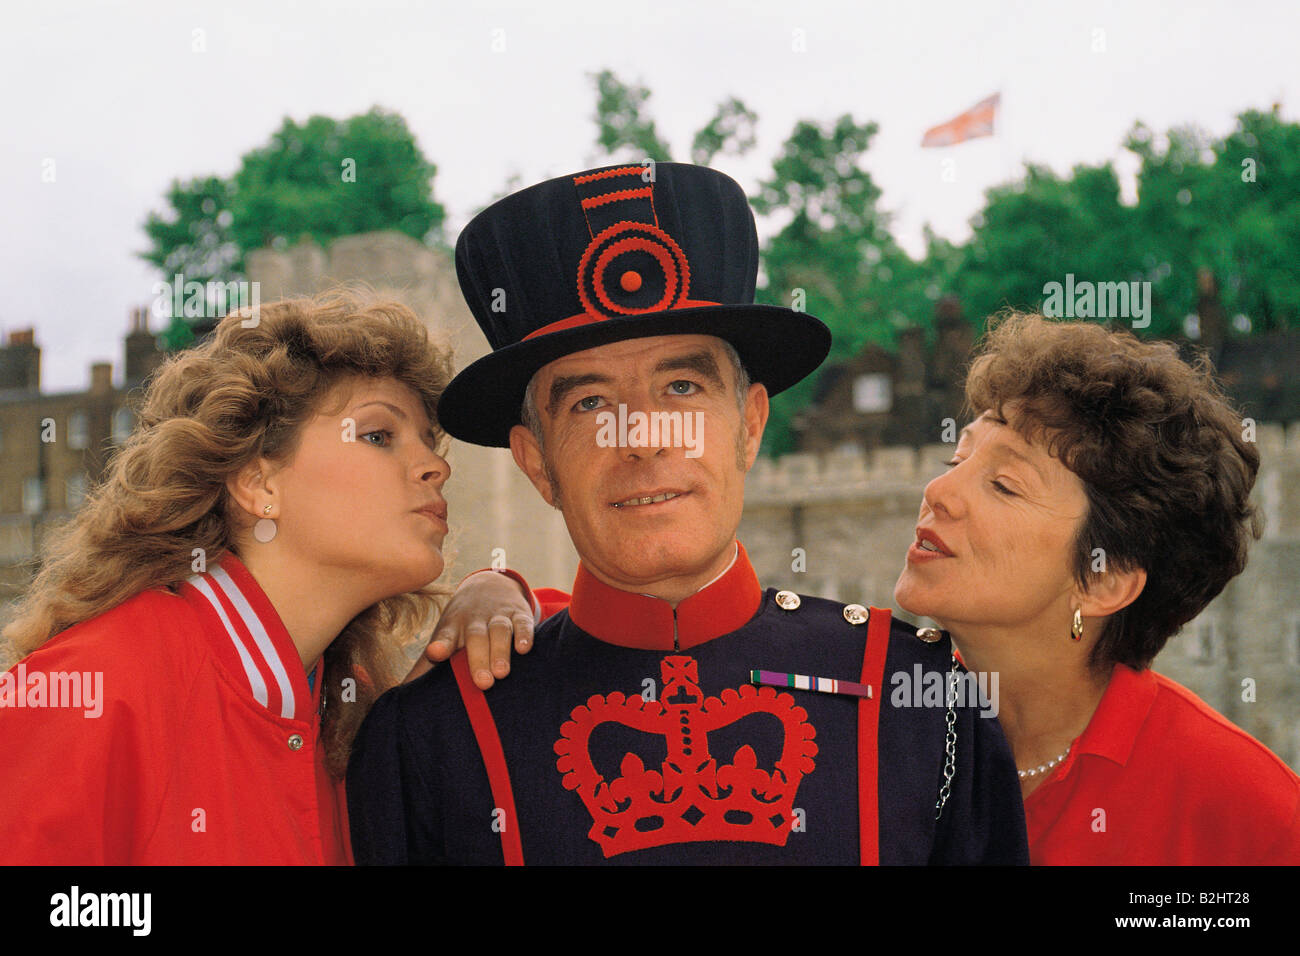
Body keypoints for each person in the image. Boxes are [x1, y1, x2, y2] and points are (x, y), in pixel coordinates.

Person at [345, 162, 1029, 865]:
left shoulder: (922, 703)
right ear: (537, 462)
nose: (643, 439)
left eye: (680, 386)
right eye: (590, 404)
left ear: (750, 425)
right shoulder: (431, 738)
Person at [0, 289, 528, 864]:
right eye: (379, 436)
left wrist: (498, 590)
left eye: (429, 440)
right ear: (258, 484)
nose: (437, 466)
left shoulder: (346, 708)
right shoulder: (90, 692)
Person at [892, 311, 1300, 864]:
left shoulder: (1247, 812)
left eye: (1005, 486)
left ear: (1103, 578)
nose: (938, 489)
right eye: (957, 457)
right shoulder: (867, 726)